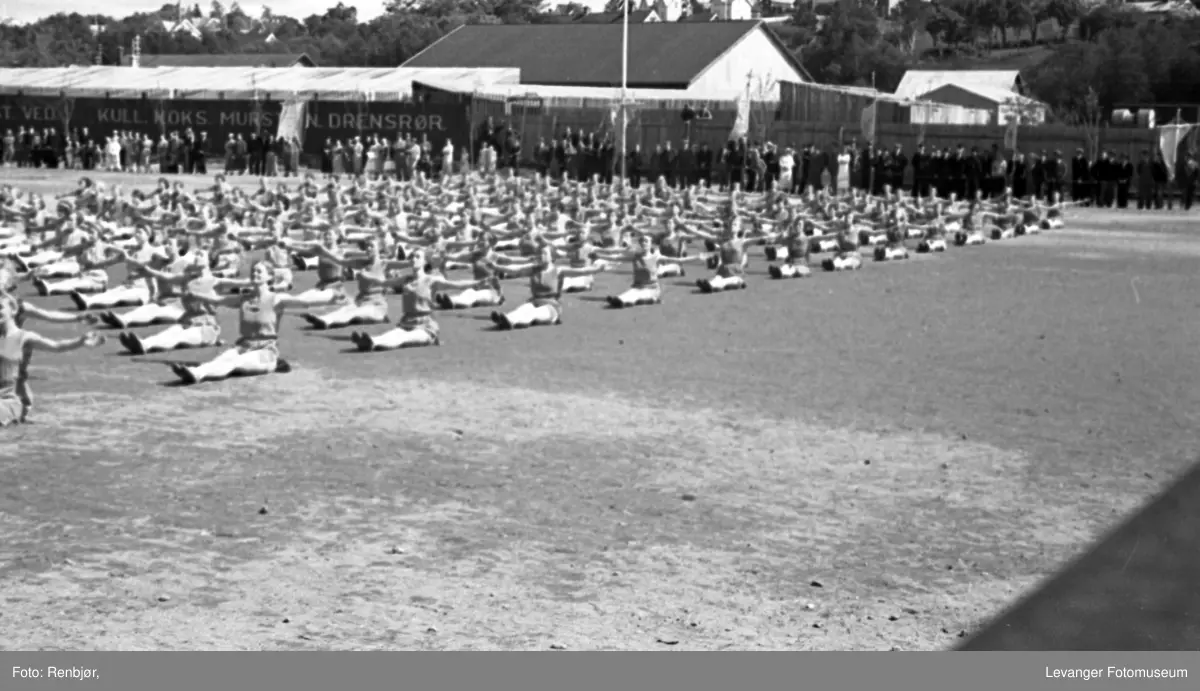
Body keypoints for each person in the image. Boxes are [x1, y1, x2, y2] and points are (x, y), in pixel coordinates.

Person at [169, 261, 347, 385]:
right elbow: (218, 300)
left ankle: (196, 375)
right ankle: (194, 372)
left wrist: (332, 296)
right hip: (243, 346)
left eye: (259, 272)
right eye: (253, 271)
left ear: (269, 277)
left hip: (265, 352)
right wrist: (195, 295)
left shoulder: (276, 300)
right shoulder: (244, 299)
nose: (255, 274)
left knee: (234, 363)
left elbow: (303, 302)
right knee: (223, 358)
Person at [350, 249, 488, 352]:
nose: (414, 259)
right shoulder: (406, 279)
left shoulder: (431, 280)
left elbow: (456, 284)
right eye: (412, 257)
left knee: (402, 338)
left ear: (424, 261)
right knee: (393, 333)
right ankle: (369, 341)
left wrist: (476, 283)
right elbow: (384, 282)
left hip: (426, 328)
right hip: (406, 322)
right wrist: (365, 275)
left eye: (418, 257)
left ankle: (372, 345)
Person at [0, 292, 106, 426]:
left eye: (0, 308)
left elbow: (56, 346)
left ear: (13, 310)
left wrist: (80, 341)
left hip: (11, 399)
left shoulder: (24, 337)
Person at [488, 244, 608, 330]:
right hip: (534, 301)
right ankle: (505, 319)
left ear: (552, 257)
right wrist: (495, 267)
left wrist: (598, 269)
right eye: (540, 253)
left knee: (534, 313)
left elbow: (581, 271)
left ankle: (509, 322)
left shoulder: (558, 271)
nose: (541, 255)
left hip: (552, 307)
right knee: (523, 309)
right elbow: (514, 270)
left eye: (544, 253)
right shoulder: (533, 269)